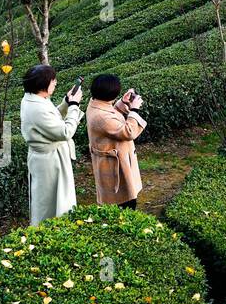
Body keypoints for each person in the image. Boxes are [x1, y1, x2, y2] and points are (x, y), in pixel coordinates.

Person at [19, 65, 83, 226]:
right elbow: (65, 131)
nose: (55, 83)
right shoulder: (37, 107)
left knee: (53, 199)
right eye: (53, 80)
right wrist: (74, 106)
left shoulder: (34, 99)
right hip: (49, 161)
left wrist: (66, 104)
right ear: (43, 84)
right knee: (49, 203)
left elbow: (50, 118)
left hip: (49, 158)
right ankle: (51, 234)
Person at [85, 74, 147, 209]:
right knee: (124, 203)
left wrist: (123, 103)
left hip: (115, 160)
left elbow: (111, 113)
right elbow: (128, 132)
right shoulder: (101, 116)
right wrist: (134, 109)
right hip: (114, 168)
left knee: (125, 201)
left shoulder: (95, 104)